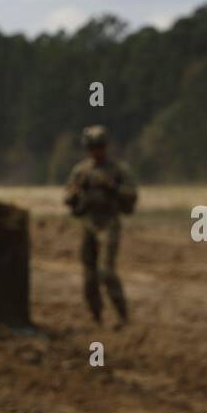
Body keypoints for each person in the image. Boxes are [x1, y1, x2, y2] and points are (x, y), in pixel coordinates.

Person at [63, 125, 138, 328]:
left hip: (109, 222)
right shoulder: (81, 171)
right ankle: (96, 317)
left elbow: (131, 195)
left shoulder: (118, 170)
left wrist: (112, 187)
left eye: (100, 146)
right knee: (89, 277)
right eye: (93, 147)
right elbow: (69, 197)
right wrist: (77, 193)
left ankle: (122, 316)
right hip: (88, 223)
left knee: (106, 271)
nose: (97, 151)